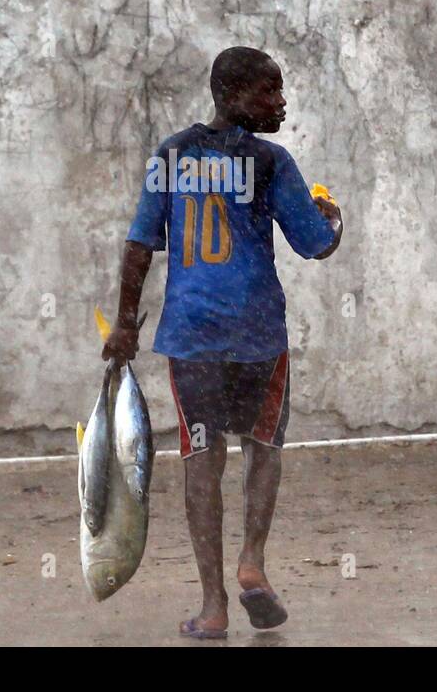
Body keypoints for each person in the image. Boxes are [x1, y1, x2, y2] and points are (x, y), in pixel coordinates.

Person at [101, 46, 343, 639]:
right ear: (233, 96)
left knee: (200, 461)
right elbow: (316, 245)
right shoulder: (271, 163)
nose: (281, 103)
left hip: (191, 337)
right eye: (271, 92)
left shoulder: (170, 156)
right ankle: (252, 563)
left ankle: (213, 608)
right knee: (263, 447)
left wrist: (127, 322)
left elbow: (140, 245)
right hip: (259, 334)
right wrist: (331, 213)